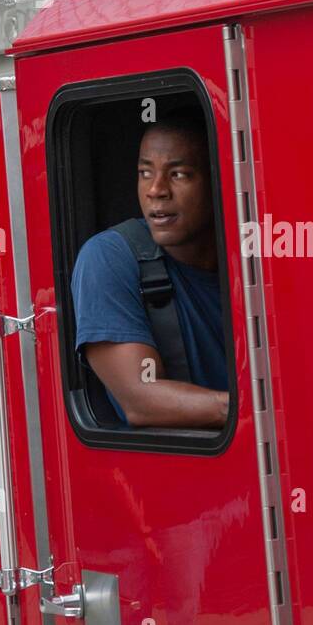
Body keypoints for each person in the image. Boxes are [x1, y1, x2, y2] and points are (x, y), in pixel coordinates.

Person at [71, 108, 229, 429]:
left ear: (217, 179)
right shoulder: (108, 258)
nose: (156, 189)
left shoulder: (252, 253)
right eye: (146, 173)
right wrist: (251, 410)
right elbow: (142, 395)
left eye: (178, 174)